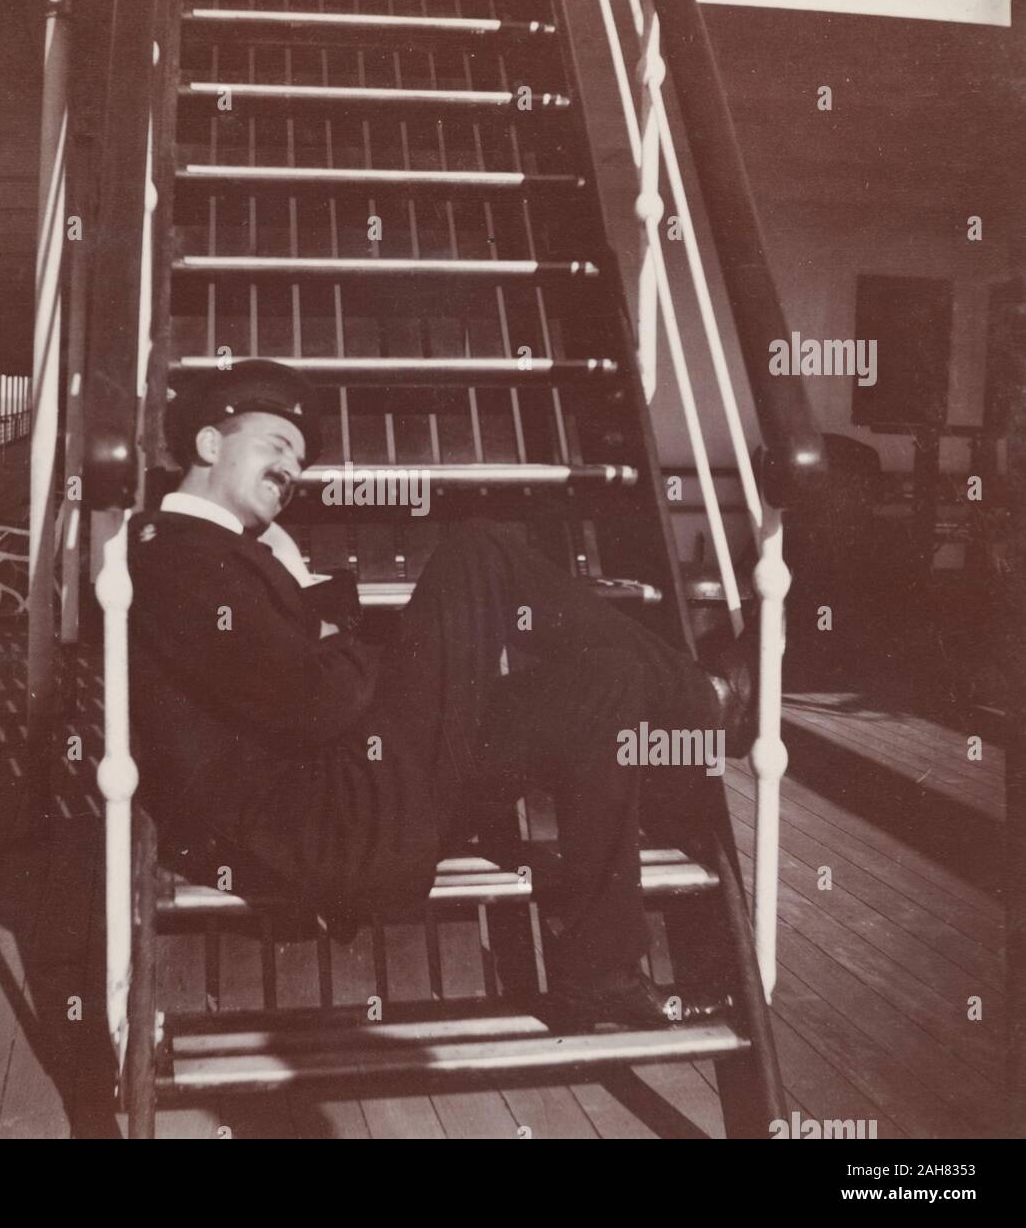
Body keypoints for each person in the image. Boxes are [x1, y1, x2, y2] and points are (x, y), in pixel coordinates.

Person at [129, 361, 756, 1027]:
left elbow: (316, 687)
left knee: (603, 685)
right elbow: (320, 701)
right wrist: (326, 605)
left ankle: (601, 970)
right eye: (276, 444)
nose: (292, 469)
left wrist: (329, 618)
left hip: (360, 799)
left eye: (300, 458)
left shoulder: (223, 553)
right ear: (207, 444)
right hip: (329, 826)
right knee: (478, 551)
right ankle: (700, 699)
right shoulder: (178, 557)